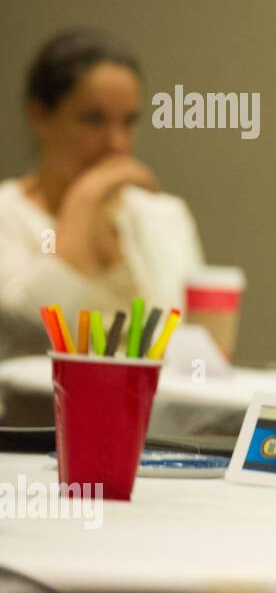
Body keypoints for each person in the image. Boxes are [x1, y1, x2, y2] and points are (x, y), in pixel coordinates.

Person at [0, 29, 205, 358]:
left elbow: (190, 342)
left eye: (129, 121)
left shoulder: (164, 214)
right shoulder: (7, 213)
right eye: (93, 120)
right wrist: (85, 198)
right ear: (39, 115)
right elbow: (38, 323)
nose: (118, 144)